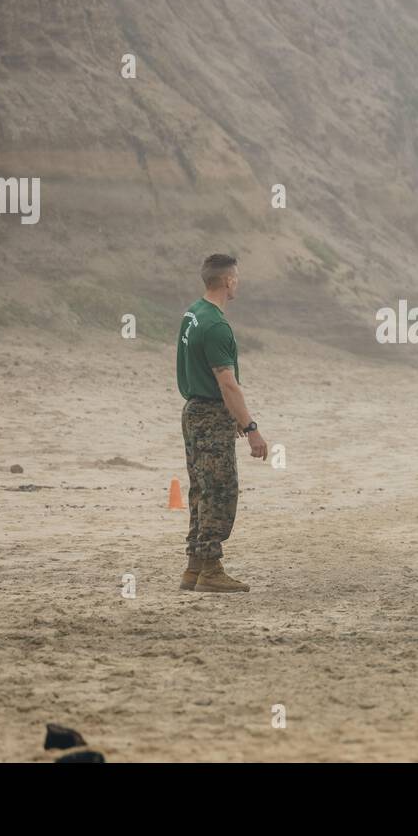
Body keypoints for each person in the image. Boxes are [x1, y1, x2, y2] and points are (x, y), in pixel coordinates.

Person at [176, 253, 268, 593]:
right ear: (228, 281)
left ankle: (194, 565)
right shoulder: (216, 325)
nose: (237, 283)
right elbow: (226, 382)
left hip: (193, 411)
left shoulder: (192, 314)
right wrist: (251, 427)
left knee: (200, 488)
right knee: (220, 490)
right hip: (211, 413)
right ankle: (211, 569)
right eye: (237, 278)